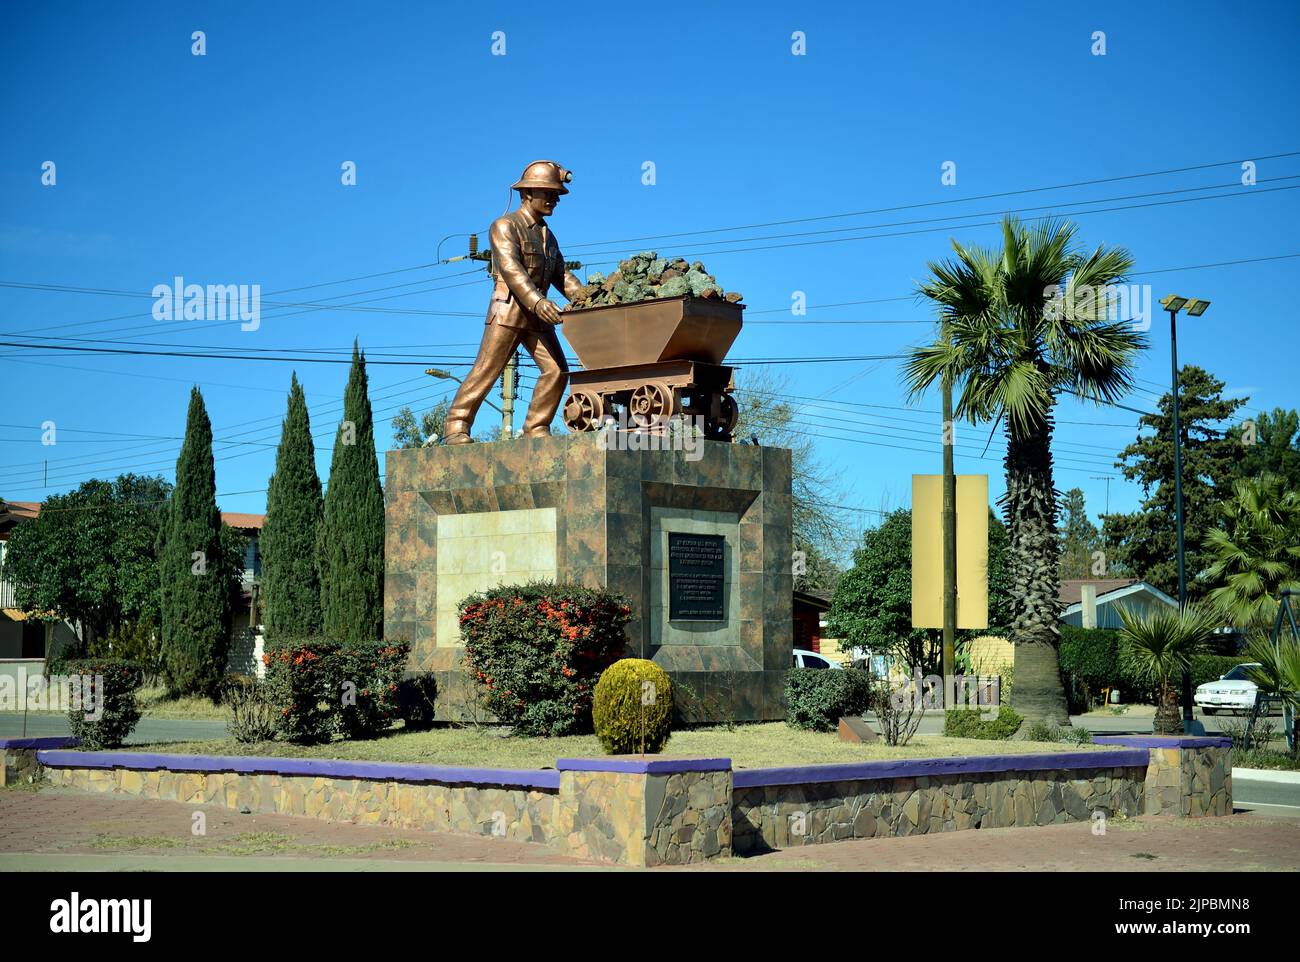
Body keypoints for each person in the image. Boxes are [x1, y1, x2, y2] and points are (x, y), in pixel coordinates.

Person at [443, 160, 584, 443]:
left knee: (557, 371)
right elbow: (511, 268)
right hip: (508, 311)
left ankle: (536, 428)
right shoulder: (505, 226)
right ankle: (456, 426)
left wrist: (590, 299)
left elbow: (562, 275)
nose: (555, 199)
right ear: (529, 193)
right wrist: (538, 301)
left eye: (557, 194)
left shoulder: (549, 236)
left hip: (537, 316)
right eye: (550, 193)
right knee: (487, 369)